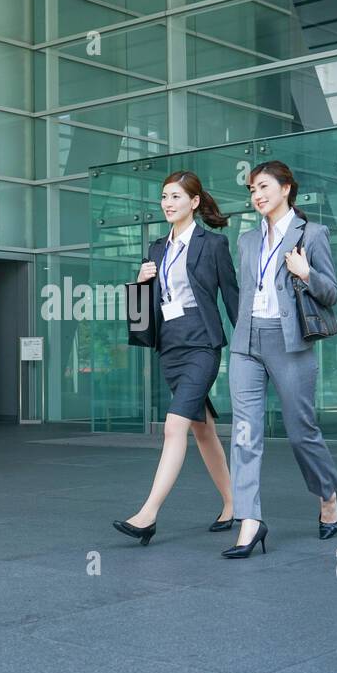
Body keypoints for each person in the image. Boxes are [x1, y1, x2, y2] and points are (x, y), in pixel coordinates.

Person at [113, 171, 239, 546]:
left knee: (174, 426)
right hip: (170, 346)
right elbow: (141, 314)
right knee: (203, 430)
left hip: (202, 345)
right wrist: (140, 282)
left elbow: (232, 296)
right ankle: (234, 503)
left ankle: (148, 514)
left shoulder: (213, 245)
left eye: (176, 197)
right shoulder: (156, 249)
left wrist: (251, 345)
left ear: (194, 202)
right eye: (164, 197)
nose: (168, 203)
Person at [223, 160, 337, 559]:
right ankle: (249, 521)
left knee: (300, 431)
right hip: (247, 342)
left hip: (290, 342)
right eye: (252, 190)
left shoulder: (312, 234)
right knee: (244, 434)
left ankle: (327, 493)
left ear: (286, 188)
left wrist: (306, 272)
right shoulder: (246, 240)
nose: (256, 195)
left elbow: (331, 294)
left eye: (263, 187)